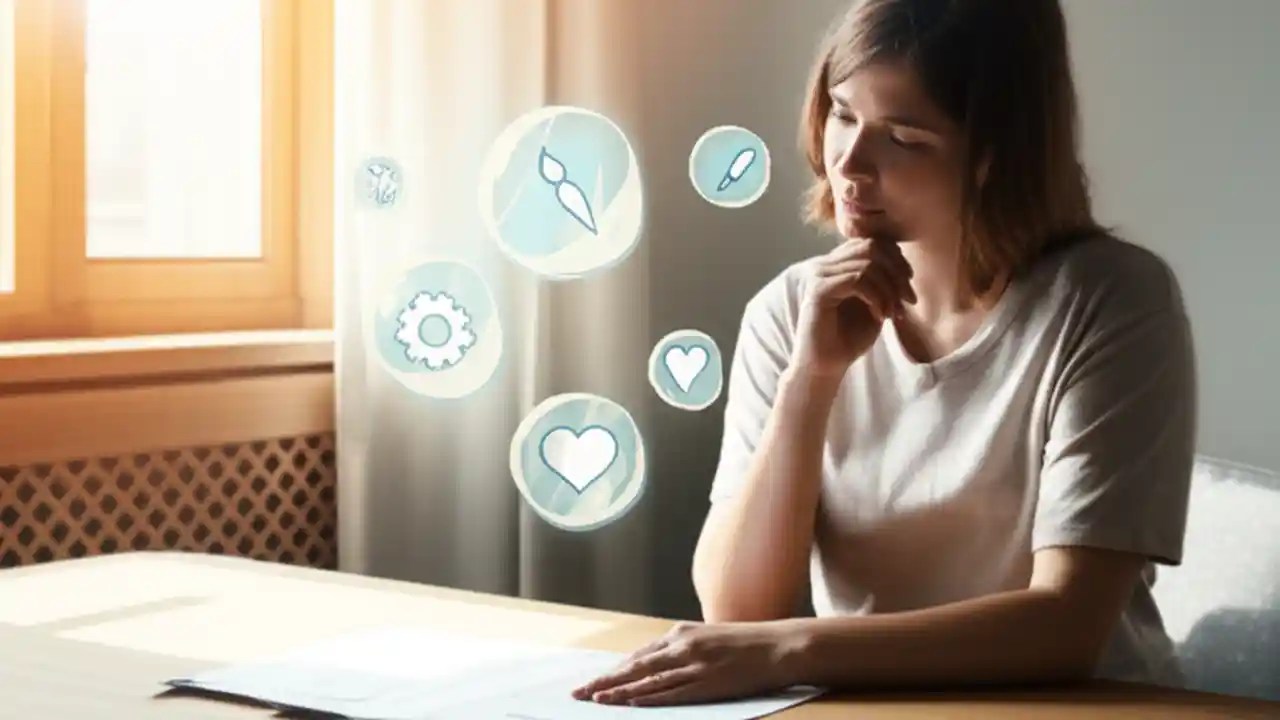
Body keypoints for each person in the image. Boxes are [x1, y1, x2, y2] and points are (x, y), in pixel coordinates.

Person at [572, 0, 1197, 707]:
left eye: (902, 136)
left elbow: (1069, 625)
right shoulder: (791, 311)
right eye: (841, 113)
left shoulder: (1111, 301)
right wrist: (811, 379)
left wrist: (792, 649)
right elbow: (738, 610)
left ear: (994, 154)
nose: (848, 162)